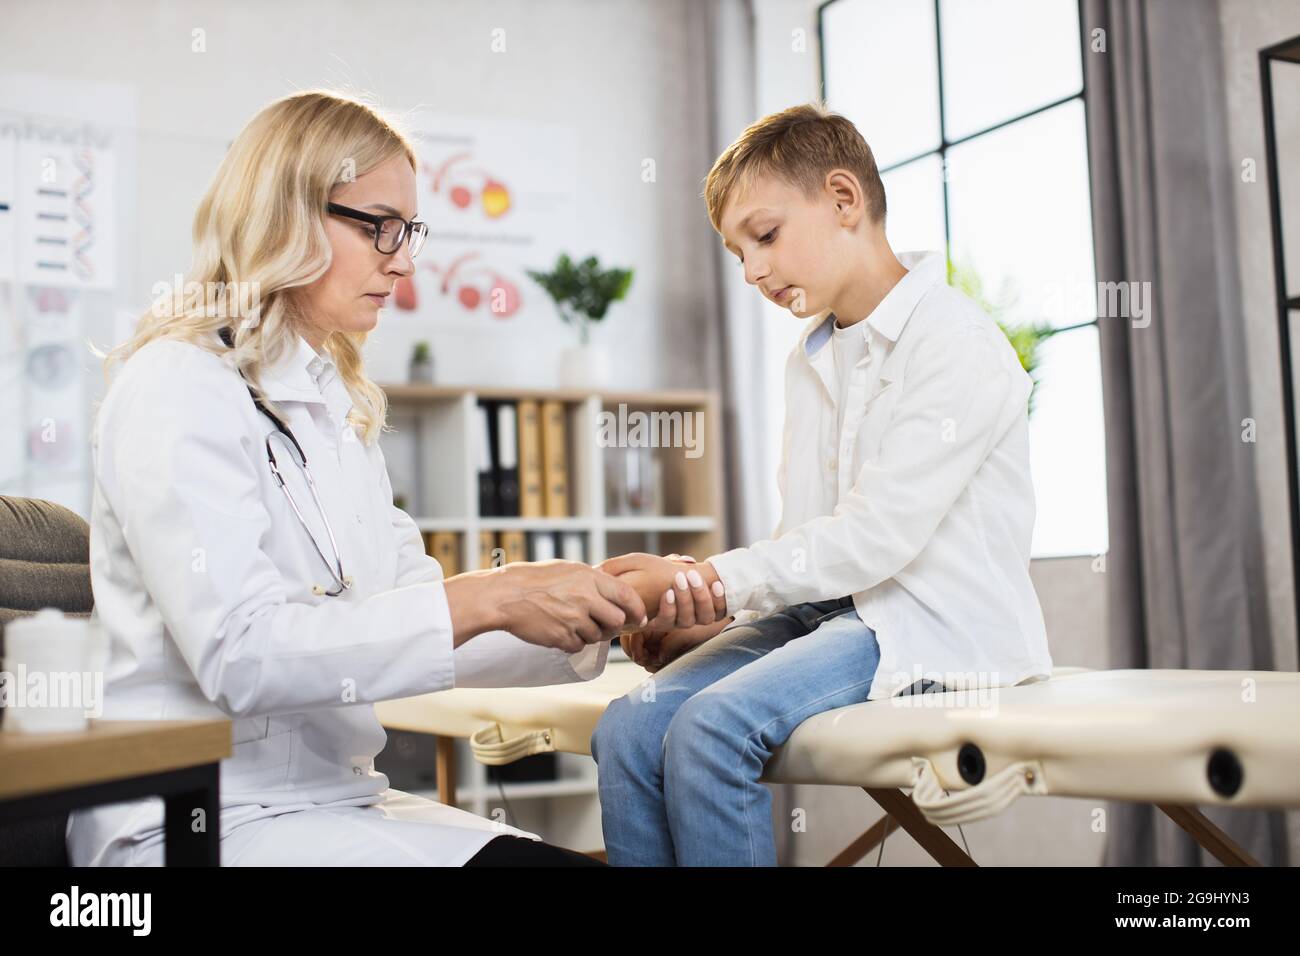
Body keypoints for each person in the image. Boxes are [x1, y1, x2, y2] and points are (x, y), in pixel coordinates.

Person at [68, 89, 721, 867]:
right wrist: (490, 595)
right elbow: (241, 655)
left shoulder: (331, 406)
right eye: (379, 226)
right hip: (197, 819)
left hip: (333, 804)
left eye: (408, 230)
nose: (404, 260)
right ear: (285, 213)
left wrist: (610, 610)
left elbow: (419, 624)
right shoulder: (177, 385)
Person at [591, 102, 1054, 866]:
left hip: (915, 621)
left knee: (711, 731)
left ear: (845, 200)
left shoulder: (956, 343)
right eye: (738, 254)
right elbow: (809, 538)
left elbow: (875, 540)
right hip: (828, 616)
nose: (753, 271)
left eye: (764, 237)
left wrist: (702, 576)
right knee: (629, 726)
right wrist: (713, 618)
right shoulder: (810, 355)